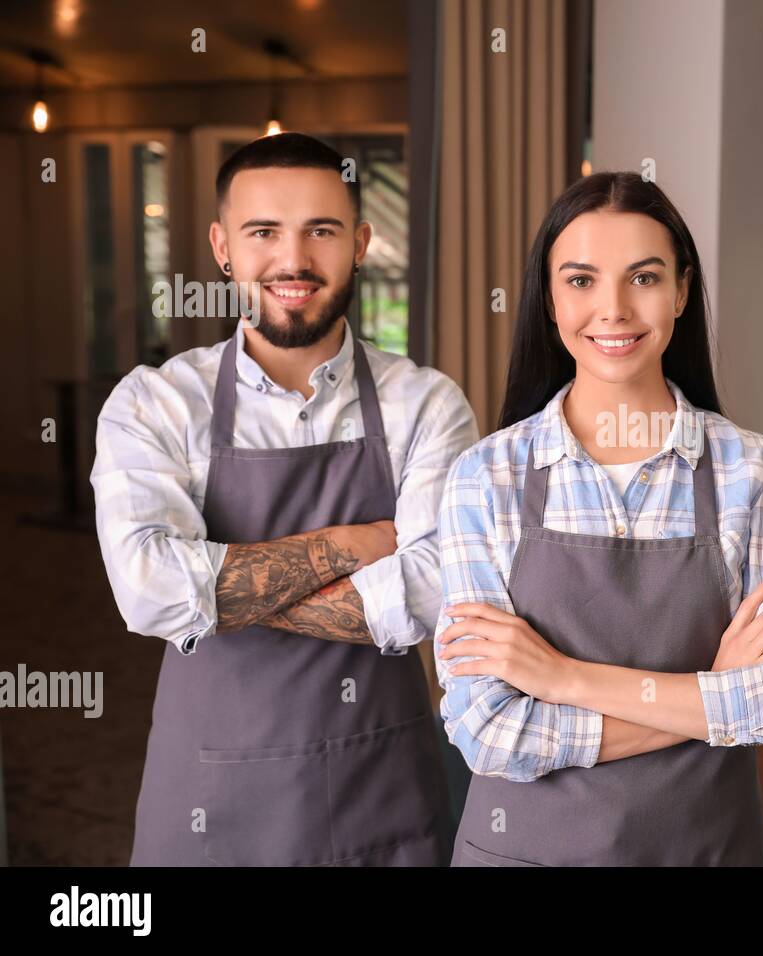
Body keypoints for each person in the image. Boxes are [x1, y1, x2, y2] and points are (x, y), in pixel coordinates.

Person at [91, 132, 478, 865]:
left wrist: (218, 593)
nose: (293, 260)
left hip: (380, 792)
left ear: (361, 241)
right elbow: (149, 594)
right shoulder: (155, 404)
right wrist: (353, 545)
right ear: (222, 246)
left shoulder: (426, 404)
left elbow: (430, 595)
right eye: (263, 232)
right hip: (209, 799)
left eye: (321, 231)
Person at [434, 171, 763, 866]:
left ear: (681, 291)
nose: (612, 309)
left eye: (643, 278)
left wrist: (562, 679)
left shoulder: (753, 471)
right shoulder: (486, 478)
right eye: (582, 280)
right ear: (550, 300)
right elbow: (488, 730)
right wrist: (713, 692)